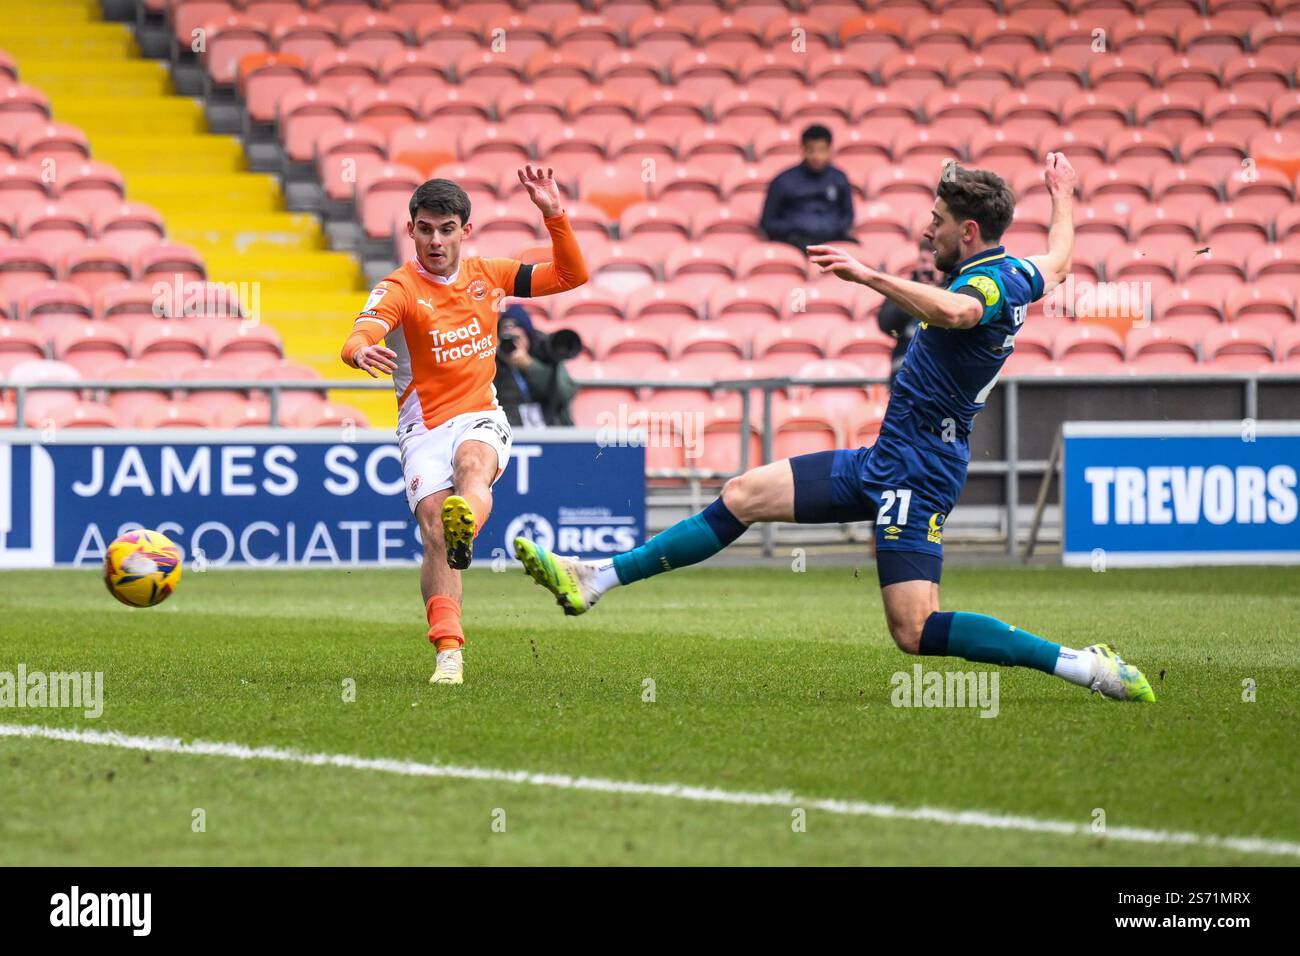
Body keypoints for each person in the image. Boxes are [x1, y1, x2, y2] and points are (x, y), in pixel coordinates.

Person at [513, 154, 1157, 704]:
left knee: (914, 630)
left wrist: (869, 275)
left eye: (935, 222)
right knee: (742, 494)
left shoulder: (984, 285)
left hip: (919, 473)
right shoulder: (1021, 270)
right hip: (886, 457)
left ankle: (1084, 666)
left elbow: (960, 313)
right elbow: (1064, 259)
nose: (926, 230)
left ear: (967, 230)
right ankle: (596, 578)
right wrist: (1063, 196)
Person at [340, 166, 588, 686]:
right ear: (411, 230)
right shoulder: (399, 287)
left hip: (481, 411)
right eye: (426, 228)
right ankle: (448, 651)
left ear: (464, 230)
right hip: (423, 425)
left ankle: (465, 524)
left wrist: (554, 215)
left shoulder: (489, 275)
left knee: (472, 466)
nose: (435, 240)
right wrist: (361, 351)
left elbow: (570, 277)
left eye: (446, 228)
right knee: (434, 525)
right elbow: (361, 332)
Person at [759, 124, 854, 250]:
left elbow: (848, 215)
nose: (816, 156)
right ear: (803, 149)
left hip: (833, 241)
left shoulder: (839, 178)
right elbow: (768, 222)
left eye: (822, 150)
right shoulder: (783, 181)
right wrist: (795, 227)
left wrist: (832, 228)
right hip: (795, 244)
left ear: (830, 149)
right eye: (811, 150)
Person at [493, 302, 579, 428]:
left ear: (528, 337)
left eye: (517, 338)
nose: (511, 344)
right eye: (506, 339)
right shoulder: (493, 362)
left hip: (549, 429)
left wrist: (530, 365)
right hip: (510, 433)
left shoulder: (546, 354)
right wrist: (494, 356)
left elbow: (564, 394)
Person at [877, 241, 942, 388]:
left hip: (938, 379)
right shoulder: (903, 289)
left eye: (933, 262)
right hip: (903, 378)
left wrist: (937, 292)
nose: (927, 267)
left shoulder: (952, 290)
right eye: (923, 261)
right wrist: (916, 296)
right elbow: (888, 326)